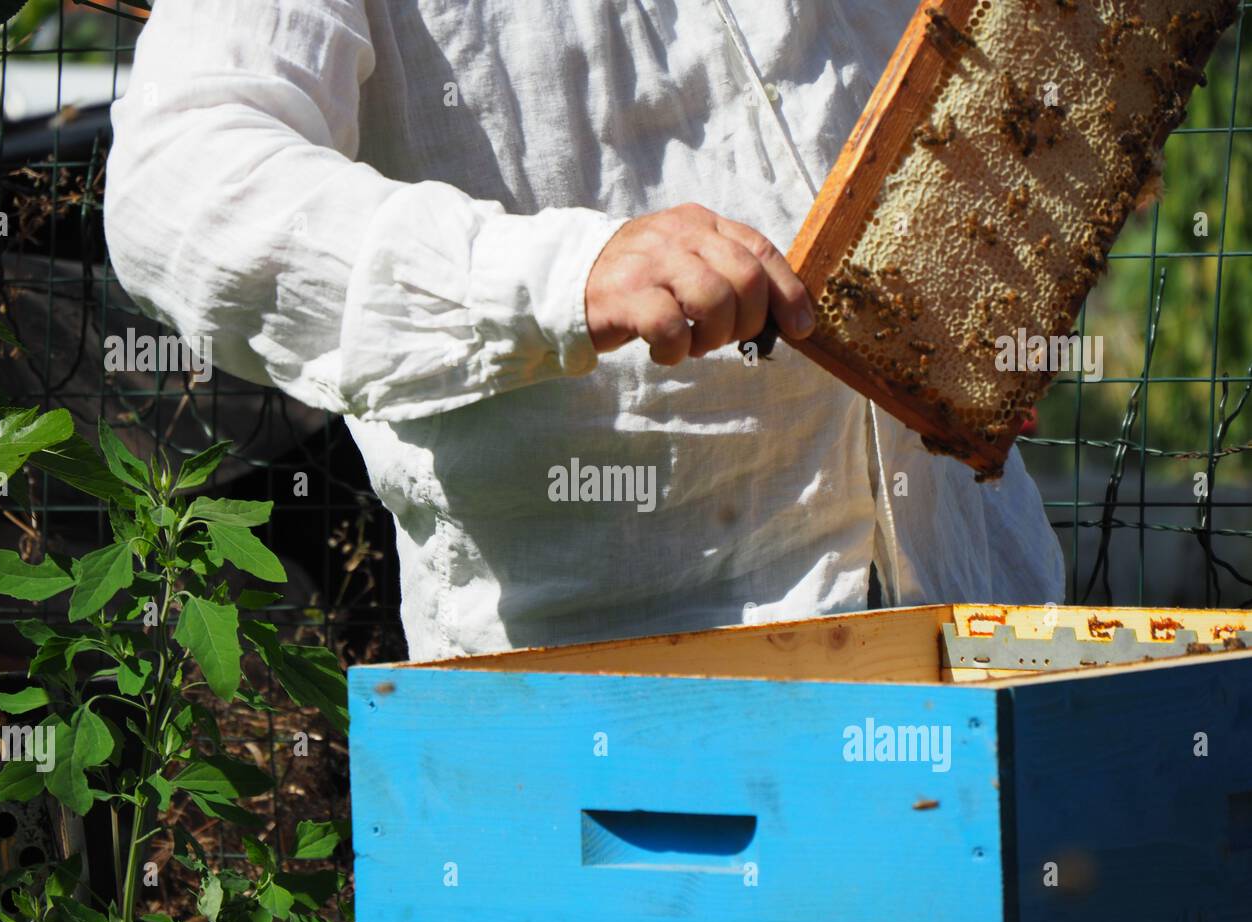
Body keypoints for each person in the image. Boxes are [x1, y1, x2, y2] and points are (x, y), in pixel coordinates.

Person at [105, 0, 1064, 661]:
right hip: (624, 709)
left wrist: (975, 313)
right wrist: (565, 275)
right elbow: (184, 180)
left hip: (984, 620)